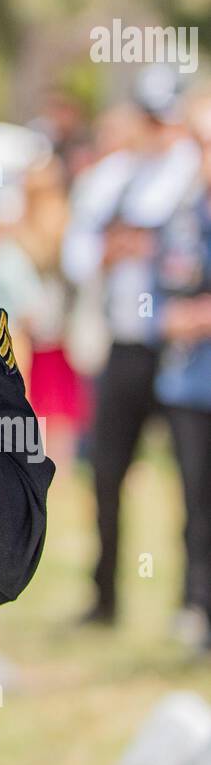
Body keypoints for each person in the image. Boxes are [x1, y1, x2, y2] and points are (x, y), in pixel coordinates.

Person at [62, 68, 200, 624]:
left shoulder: (191, 174)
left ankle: (194, 602)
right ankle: (105, 596)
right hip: (124, 345)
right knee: (107, 472)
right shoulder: (112, 179)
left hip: (179, 351)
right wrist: (111, 252)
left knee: (195, 480)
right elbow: (78, 253)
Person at [153, 89, 211, 651]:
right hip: (193, 387)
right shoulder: (183, 219)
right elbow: (161, 311)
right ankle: (196, 605)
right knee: (194, 505)